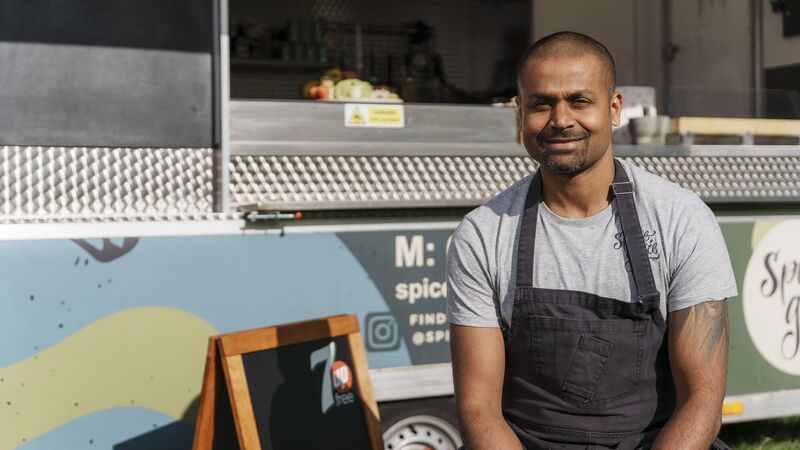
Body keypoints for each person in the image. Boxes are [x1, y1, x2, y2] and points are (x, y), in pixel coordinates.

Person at [446, 31, 737, 450]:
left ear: (614, 108)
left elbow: (703, 400)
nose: (561, 119)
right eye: (541, 103)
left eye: (580, 101)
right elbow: (478, 407)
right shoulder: (483, 233)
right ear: (520, 112)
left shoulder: (682, 220)